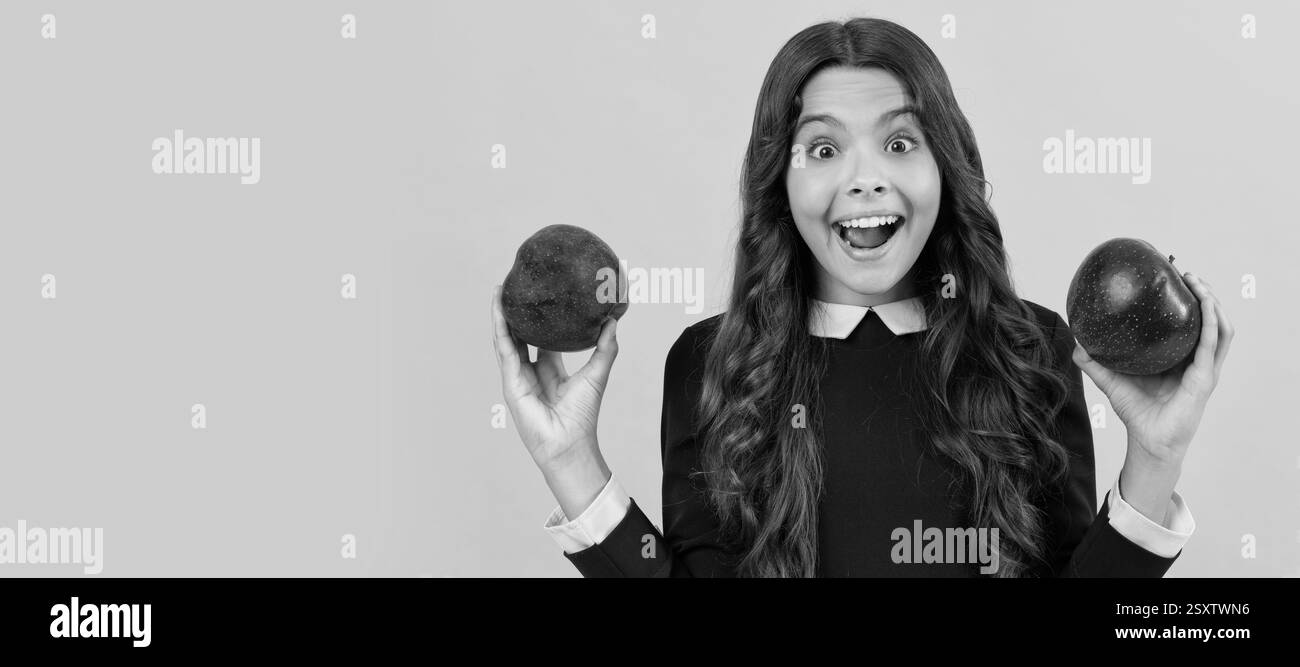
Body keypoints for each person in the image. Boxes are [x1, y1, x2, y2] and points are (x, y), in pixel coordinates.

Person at [490, 17, 1233, 577]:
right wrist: (570, 461)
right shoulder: (712, 363)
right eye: (823, 149)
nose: (865, 179)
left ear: (945, 167)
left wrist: (1155, 457)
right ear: (780, 183)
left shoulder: (1030, 350)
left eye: (900, 143)